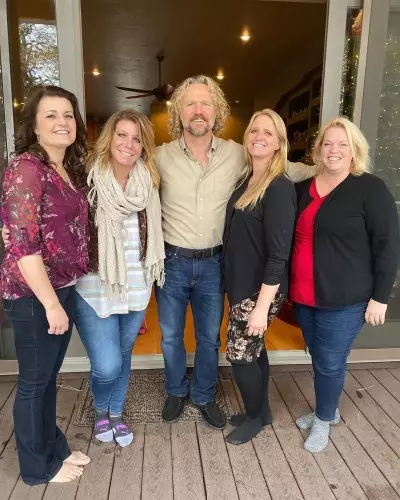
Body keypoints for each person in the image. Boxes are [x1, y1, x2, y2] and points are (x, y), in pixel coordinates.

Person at [156, 74, 315, 428]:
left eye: (206, 104)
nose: (198, 110)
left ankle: (203, 395)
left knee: (209, 337)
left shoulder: (235, 154)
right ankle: (175, 390)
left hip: (215, 263)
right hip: (173, 262)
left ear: (217, 112)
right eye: (191, 104)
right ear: (179, 112)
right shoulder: (160, 158)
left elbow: (282, 167)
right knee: (169, 336)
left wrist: (333, 168)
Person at [290, 117, 399, 453]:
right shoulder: (300, 190)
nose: (334, 150)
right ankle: (329, 407)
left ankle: (324, 419)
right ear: (319, 149)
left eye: (342, 144)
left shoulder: (369, 188)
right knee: (318, 354)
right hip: (304, 295)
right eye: (328, 143)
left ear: (354, 151)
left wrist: (381, 298)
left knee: (330, 361)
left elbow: (388, 245)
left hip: (346, 300)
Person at [0, 85, 91, 485]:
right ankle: (37, 469)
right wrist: (51, 305)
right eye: (51, 115)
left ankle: (54, 446)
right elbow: (23, 244)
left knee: (48, 376)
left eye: (68, 115)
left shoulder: (65, 168)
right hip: (34, 296)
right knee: (34, 383)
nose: (62, 122)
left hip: (62, 288)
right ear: (34, 126)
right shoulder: (26, 168)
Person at [74, 110, 165, 447]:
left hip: (136, 287)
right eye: (122, 135)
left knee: (124, 354)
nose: (129, 144)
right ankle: (100, 411)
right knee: (108, 363)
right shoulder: (87, 181)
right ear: (109, 138)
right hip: (94, 288)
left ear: (144, 146)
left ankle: (115, 415)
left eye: (137, 138)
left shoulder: (148, 185)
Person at [222, 109, 296, 444]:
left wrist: (261, 308)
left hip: (260, 289)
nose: (259, 137)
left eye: (268, 132)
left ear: (280, 143)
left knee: (239, 355)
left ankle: (253, 417)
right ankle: (262, 411)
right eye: (254, 130)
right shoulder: (244, 181)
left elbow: (279, 253)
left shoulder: (279, 187)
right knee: (255, 350)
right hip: (242, 285)